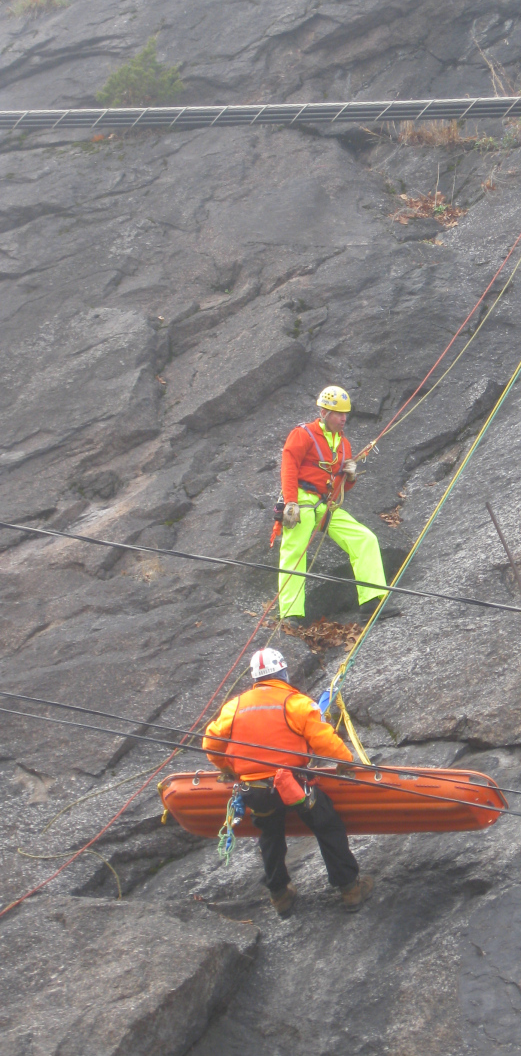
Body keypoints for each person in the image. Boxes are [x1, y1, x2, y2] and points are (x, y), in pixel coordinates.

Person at [203, 647, 375, 918]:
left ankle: (279, 894)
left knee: (269, 835)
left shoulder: (233, 706)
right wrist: (345, 762)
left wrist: (228, 769)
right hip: (292, 785)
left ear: (255, 677)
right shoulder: (296, 703)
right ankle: (349, 889)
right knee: (326, 823)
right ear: (282, 672)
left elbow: (211, 744)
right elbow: (325, 740)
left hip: (254, 791)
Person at [276, 385, 388, 622]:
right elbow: (289, 467)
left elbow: (340, 489)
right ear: (324, 413)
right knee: (295, 551)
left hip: (326, 506)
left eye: (345, 414)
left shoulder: (343, 444)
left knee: (364, 538)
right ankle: (290, 613)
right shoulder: (303, 434)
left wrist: (351, 477)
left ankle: (372, 601)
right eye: (338, 414)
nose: (343, 419)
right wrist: (290, 502)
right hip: (303, 502)